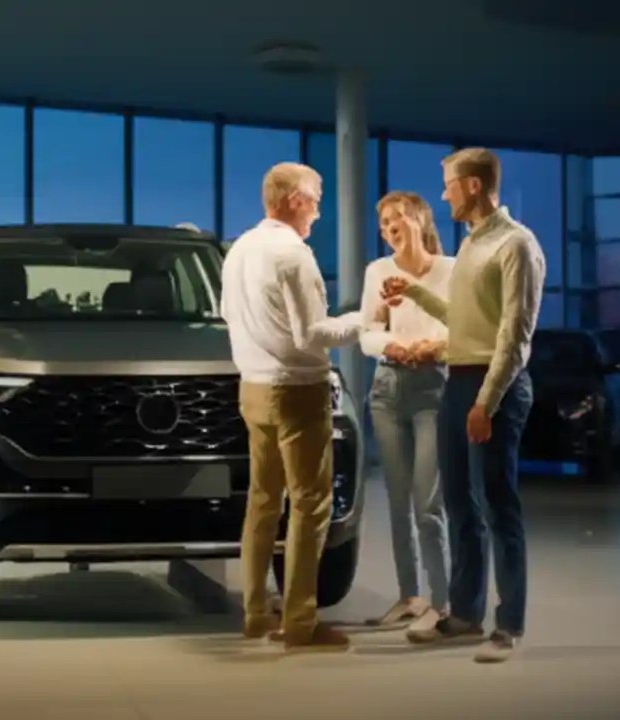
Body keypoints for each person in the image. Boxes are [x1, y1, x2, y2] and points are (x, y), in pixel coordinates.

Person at [381, 147, 545, 663]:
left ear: (473, 186)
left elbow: (514, 336)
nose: (444, 194)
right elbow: (464, 319)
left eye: (449, 184)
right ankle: (466, 614)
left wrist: (486, 402)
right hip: (458, 381)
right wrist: (414, 293)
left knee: (499, 508)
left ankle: (508, 626)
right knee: (460, 505)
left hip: (494, 386)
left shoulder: (517, 245)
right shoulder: (473, 243)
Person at [220, 161, 362, 650]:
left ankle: (255, 614)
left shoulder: (239, 250)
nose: (318, 213)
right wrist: (366, 320)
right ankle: (300, 622)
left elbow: (228, 315)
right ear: (296, 199)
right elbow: (311, 334)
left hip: (253, 388)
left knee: (262, 503)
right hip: (297, 390)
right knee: (309, 505)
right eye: (316, 202)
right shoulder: (293, 254)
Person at [359, 191, 454, 634]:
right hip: (388, 388)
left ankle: (443, 603)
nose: (390, 227)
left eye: (397, 218)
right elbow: (367, 332)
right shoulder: (378, 271)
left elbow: (461, 325)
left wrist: (433, 347)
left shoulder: (451, 269)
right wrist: (392, 345)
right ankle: (410, 596)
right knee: (398, 503)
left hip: (433, 387)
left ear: (420, 219)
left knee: (427, 505)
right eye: (384, 223)